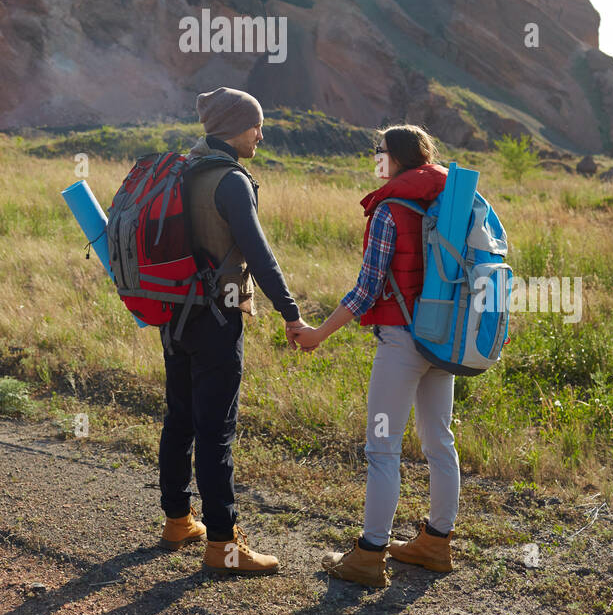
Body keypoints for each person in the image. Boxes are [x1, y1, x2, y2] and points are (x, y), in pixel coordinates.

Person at [294, 124, 460, 588]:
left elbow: (367, 291)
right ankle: (436, 543)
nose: (375, 158)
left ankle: (369, 556)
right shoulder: (448, 202)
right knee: (438, 442)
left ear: (397, 157)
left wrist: (317, 334)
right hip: (442, 342)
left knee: (382, 448)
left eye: (379, 151)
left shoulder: (391, 209)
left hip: (402, 343)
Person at [159, 86, 312, 573]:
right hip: (217, 318)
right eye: (255, 126)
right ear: (233, 128)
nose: (260, 135)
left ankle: (178, 522)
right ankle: (223, 546)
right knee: (216, 432)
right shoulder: (231, 181)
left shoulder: (182, 170)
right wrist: (292, 313)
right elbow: (260, 256)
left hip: (173, 314)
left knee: (180, 417)